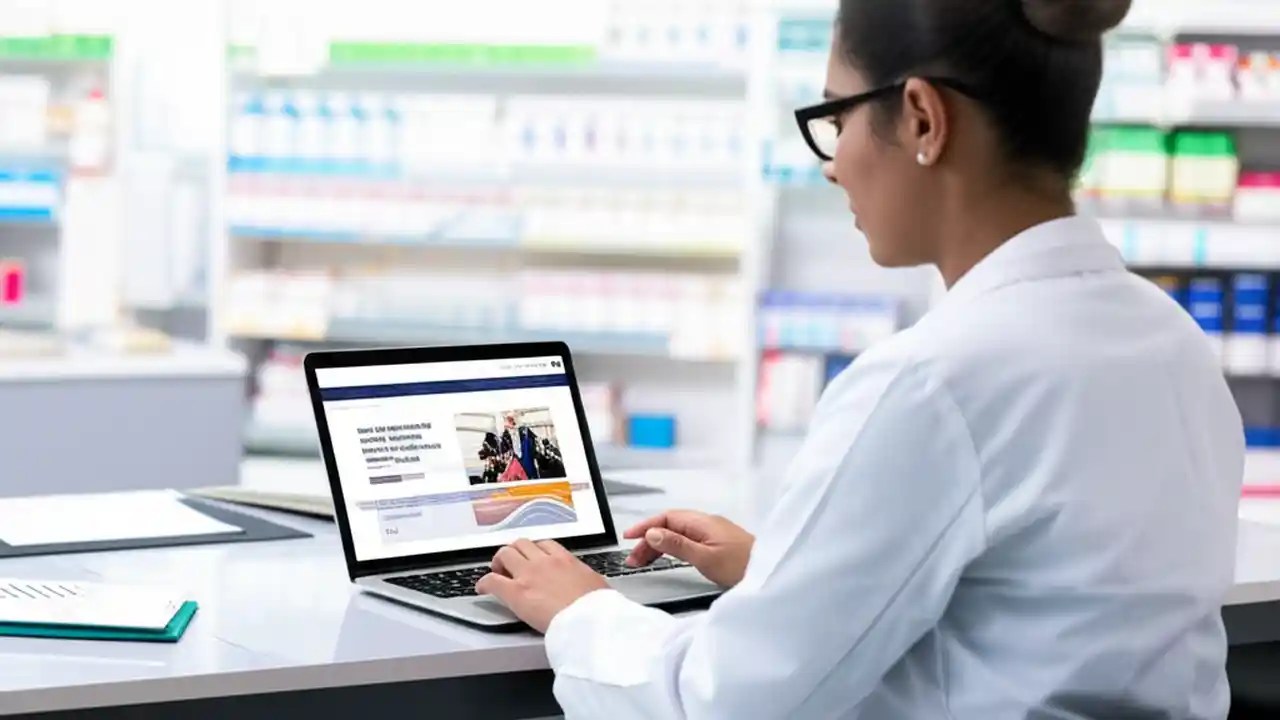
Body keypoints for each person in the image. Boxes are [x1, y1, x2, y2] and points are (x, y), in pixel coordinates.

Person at [475, 0, 1245, 717]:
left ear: (921, 119)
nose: (832, 162)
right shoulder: (1166, 337)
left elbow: (728, 701)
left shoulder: (933, 382)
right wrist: (782, 570)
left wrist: (580, 608)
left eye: (835, 117)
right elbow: (1031, 614)